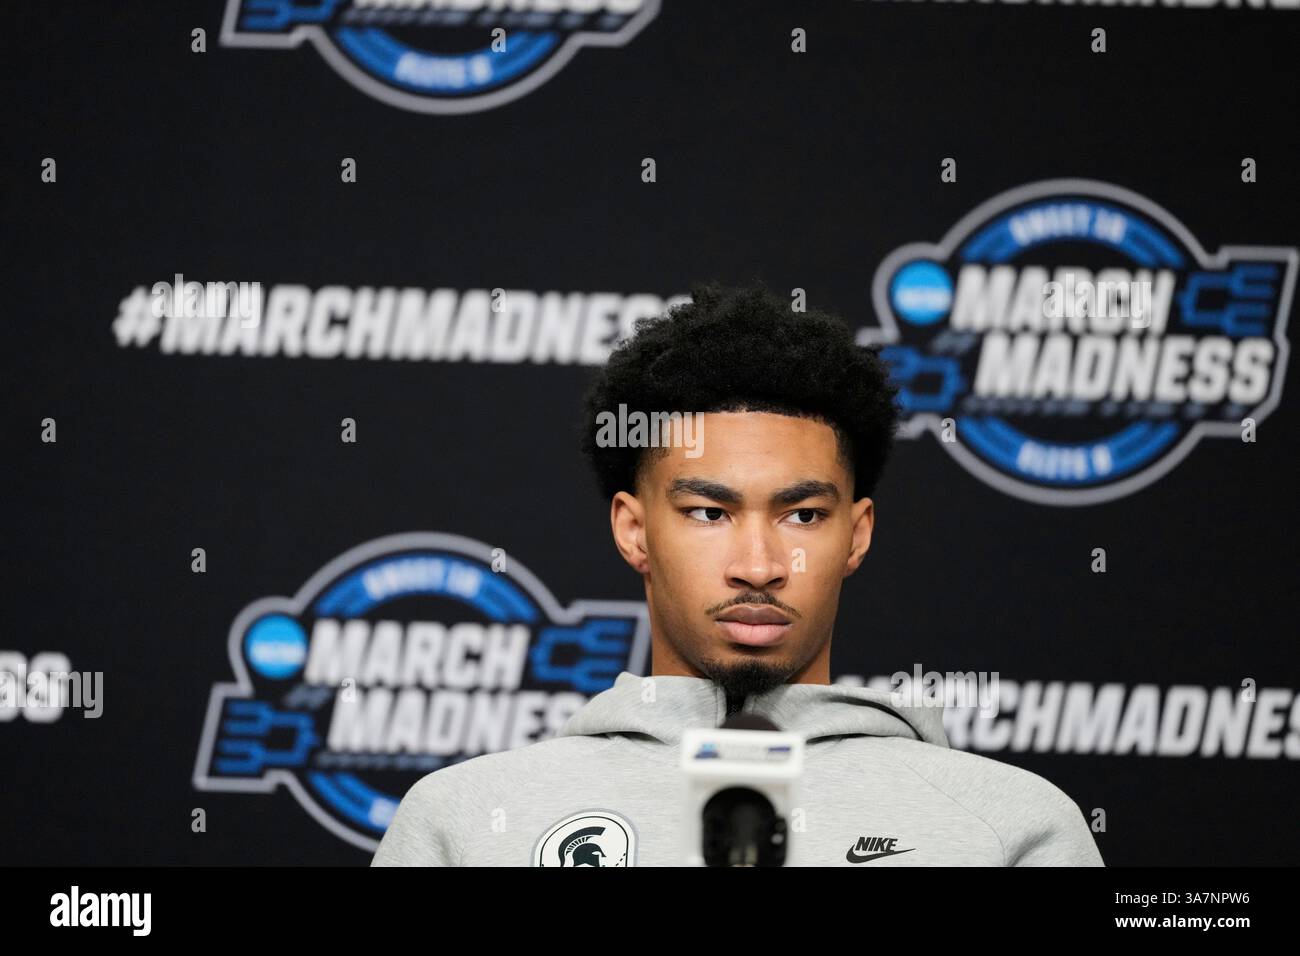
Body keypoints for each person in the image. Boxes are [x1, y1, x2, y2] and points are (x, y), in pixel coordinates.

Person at [371, 280, 1104, 866]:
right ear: (634, 530)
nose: (759, 566)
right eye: (708, 513)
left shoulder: (1010, 828)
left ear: (858, 533)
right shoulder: (464, 822)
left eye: (803, 516)